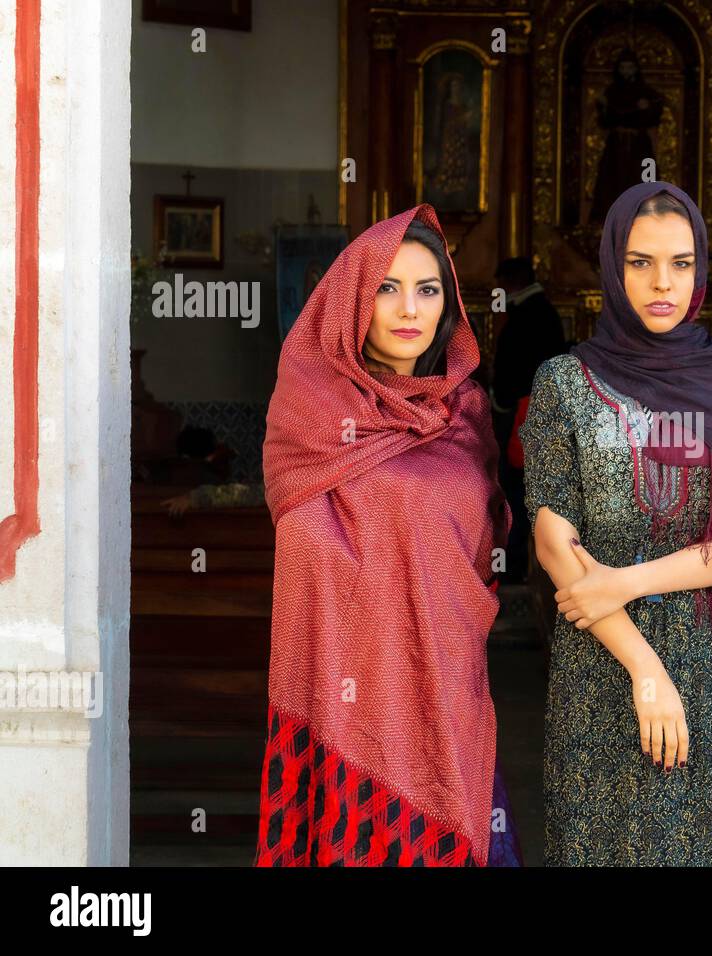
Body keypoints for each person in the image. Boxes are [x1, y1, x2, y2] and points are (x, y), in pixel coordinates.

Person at [520, 181, 712, 866]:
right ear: (610, 268)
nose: (663, 283)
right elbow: (550, 537)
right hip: (601, 662)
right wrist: (644, 668)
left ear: (702, 269)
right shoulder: (563, 381)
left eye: (681, 263)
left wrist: (624, 582)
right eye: (640, 262)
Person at [254, 204, 521, 867]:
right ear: (353, 299)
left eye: (428, 289)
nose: (410, 308)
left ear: (448, 305)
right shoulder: (309, 414)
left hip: (446, 700)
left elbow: (487, 546)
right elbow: (307, 553)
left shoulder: (463, 412)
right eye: (388, 287)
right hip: (345, 715)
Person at [490, 256, 566, 581]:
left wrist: (499, 403)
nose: (498, 292)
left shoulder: (525, 315)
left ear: (512, 281)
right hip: (541, 417)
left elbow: (511, 373)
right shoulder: (544, 311)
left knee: (517, 496)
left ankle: (516, 568)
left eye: (501, 284)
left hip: (523, 419)